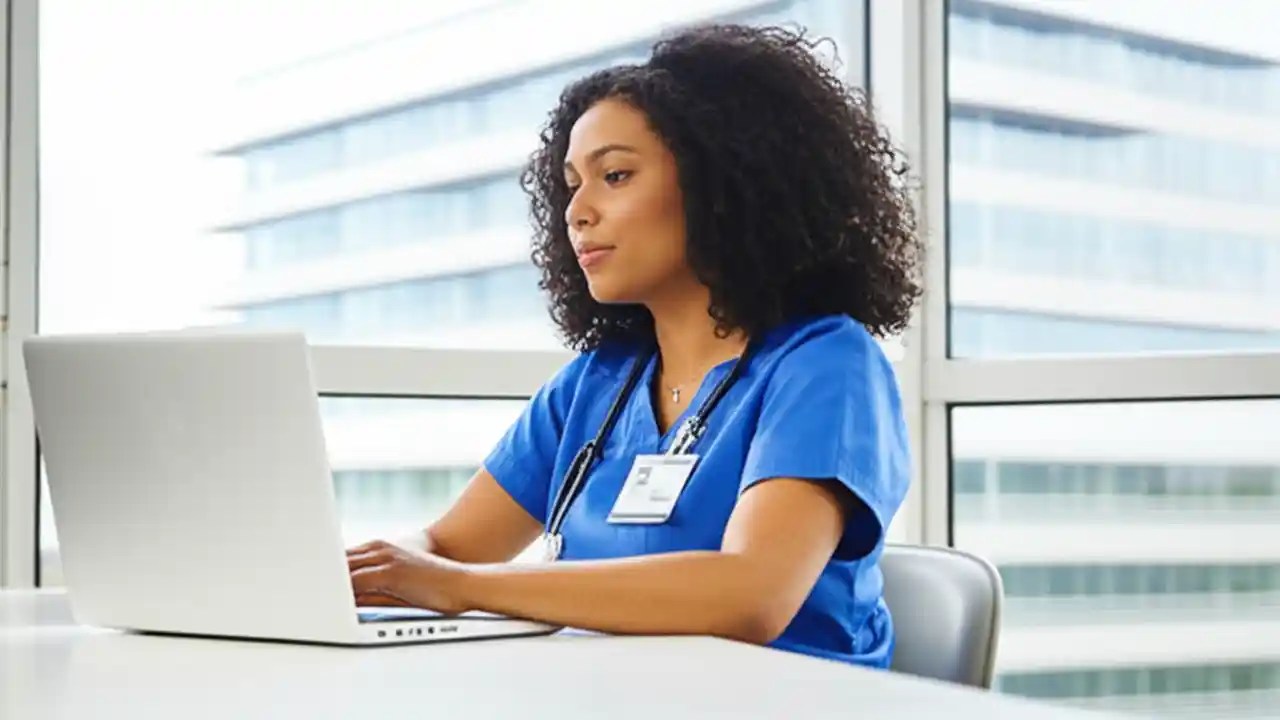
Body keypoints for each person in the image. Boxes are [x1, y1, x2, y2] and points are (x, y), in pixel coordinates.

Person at [346, 22, 923, 668]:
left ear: (721, 185)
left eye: (615, 175)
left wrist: (463, 590)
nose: (576, 212)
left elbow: (750, 593)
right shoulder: (598, 384)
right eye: (572, 185)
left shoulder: (826, 365)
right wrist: (364, 572)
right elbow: (445, 550)